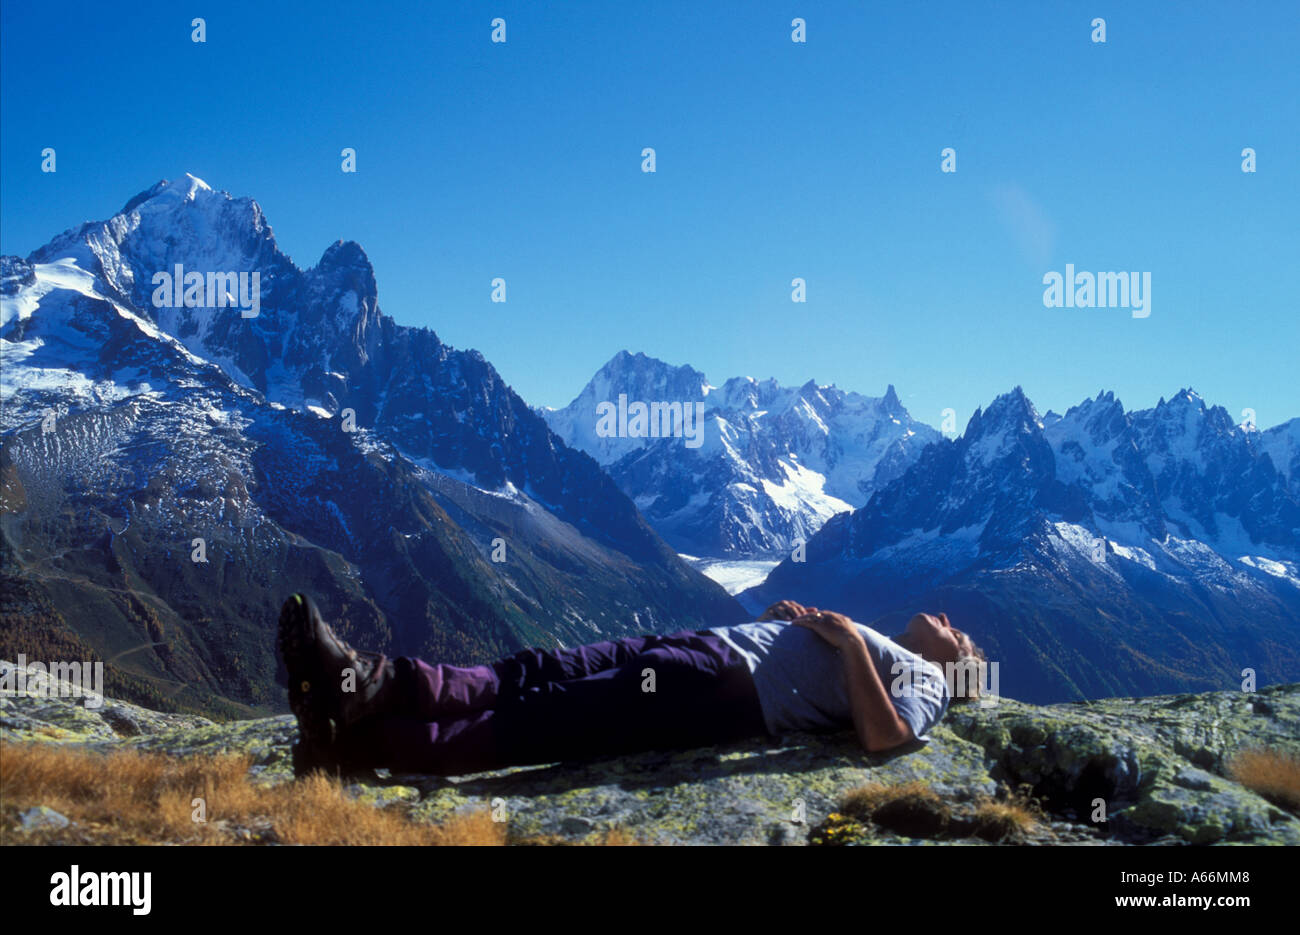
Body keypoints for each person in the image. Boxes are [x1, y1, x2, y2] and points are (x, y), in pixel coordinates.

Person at [276, 594, 986, 778]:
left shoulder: (929, 681)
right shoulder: (894, 650)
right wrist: (792, 625)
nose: (950, 622)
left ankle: (352, 741)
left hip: (718, 686)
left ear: (956, 668)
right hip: (706, 647)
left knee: (549, 715)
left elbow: (884, 737)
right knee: (538, 670)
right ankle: (360, 682)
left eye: (962, 637)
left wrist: (850, 640)